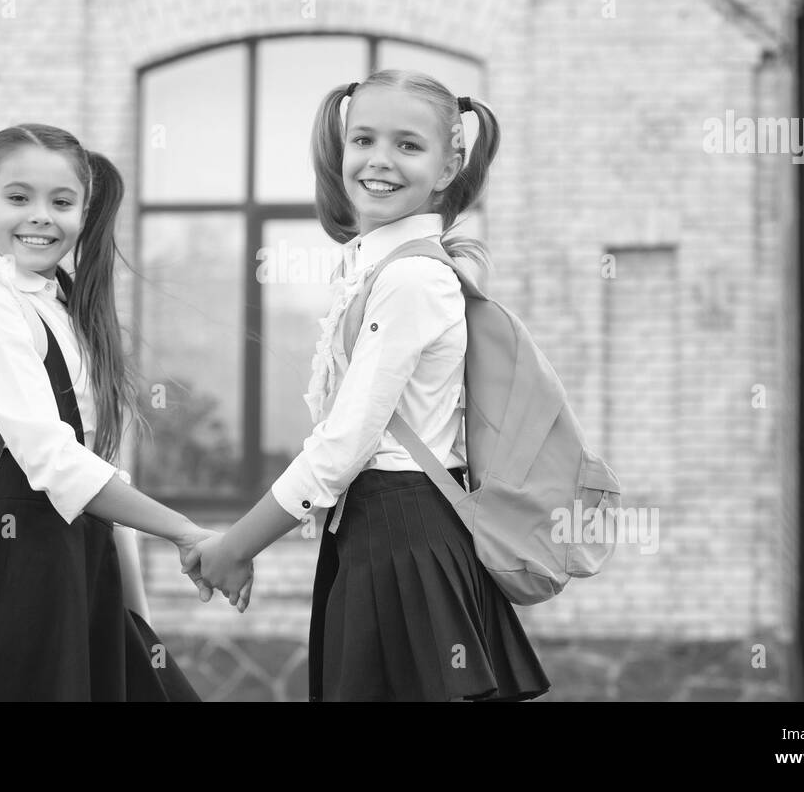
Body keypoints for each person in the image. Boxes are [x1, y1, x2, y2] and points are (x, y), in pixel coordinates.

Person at [184, 72, 551, 702]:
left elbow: (343, 444)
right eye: (363, 140)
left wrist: (237, 545)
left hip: (403, 538)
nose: (379, 161)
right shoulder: (379, 269)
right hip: (376, 534)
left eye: (408, 146)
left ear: (447, 167)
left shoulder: (412, 280)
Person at [0, 123, 247, 701]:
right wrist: (186, 532)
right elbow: (55, 462)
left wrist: (128, 585)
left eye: (61, 202)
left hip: (77, 562)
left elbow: (91, 466)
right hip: (19, 571)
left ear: (84, 213)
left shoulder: (62, 307)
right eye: (18, 198)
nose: (41, 215)